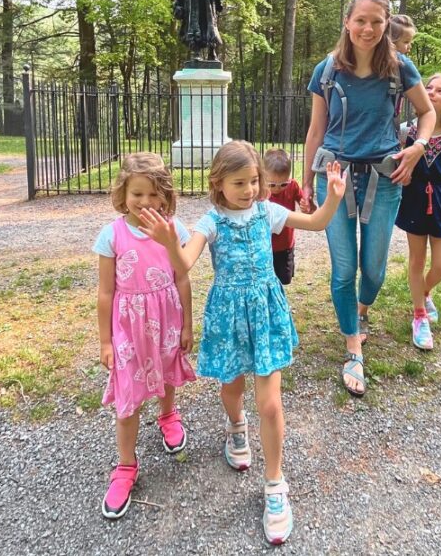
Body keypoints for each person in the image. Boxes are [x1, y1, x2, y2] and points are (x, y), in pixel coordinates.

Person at [140, 141, 346, 545]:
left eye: (254, 181)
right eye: (240, 182)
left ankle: (274, 486)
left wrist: (333, 199)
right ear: (218, 183)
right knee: (231, 390)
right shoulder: (210, 222)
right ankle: (236, 426)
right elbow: (184, 263)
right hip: (229, 318)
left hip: (265, 313)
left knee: (270, 403)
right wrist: (168, 242)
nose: (250, 189)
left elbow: (317, 223)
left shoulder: (267, 212)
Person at [301, 0, 436, 398]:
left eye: (377, 21)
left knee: (373, 271)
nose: (368, 28)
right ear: (347, 21)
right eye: (361, 19)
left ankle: (361, 310)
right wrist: (307, 181)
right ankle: (353, 347)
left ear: (386, 23)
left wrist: (418, 146)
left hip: (383, 178)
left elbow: (427, 112)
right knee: (344, 269)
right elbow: (316, 129)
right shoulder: (327, 70)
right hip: (336, 178)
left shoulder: (400, 68)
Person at [94, 153, 196, 520]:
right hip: (128, 327)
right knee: (128, 393)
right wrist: (105, 341)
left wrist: (187, 324)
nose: (146, 203)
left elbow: (182, 276)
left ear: (166, 197)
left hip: (166, 317)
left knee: (168, 370)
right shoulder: (112, 235)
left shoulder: (175, 230)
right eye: (137, 194)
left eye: (154, 195)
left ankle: (168, 415)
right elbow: (105, 292)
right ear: (123, 194)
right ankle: (125, 465)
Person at [394, 73, 441, 351]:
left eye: (440, 90)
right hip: (414, 199)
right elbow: (398, 165)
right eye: (429, 88)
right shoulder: (407, 131)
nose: (432, 92)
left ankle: (424, 292)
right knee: (416, 260)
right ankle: (419, 315)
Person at [264, 147, 303, 285]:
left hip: (286, 244)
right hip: (265, 245)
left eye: (283, 184)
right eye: (272, 184)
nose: (277, 188)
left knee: (284, 279)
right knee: (266, 279)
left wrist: (306, 204)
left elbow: (304, 201)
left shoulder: (293, 186)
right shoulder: (260, 191)